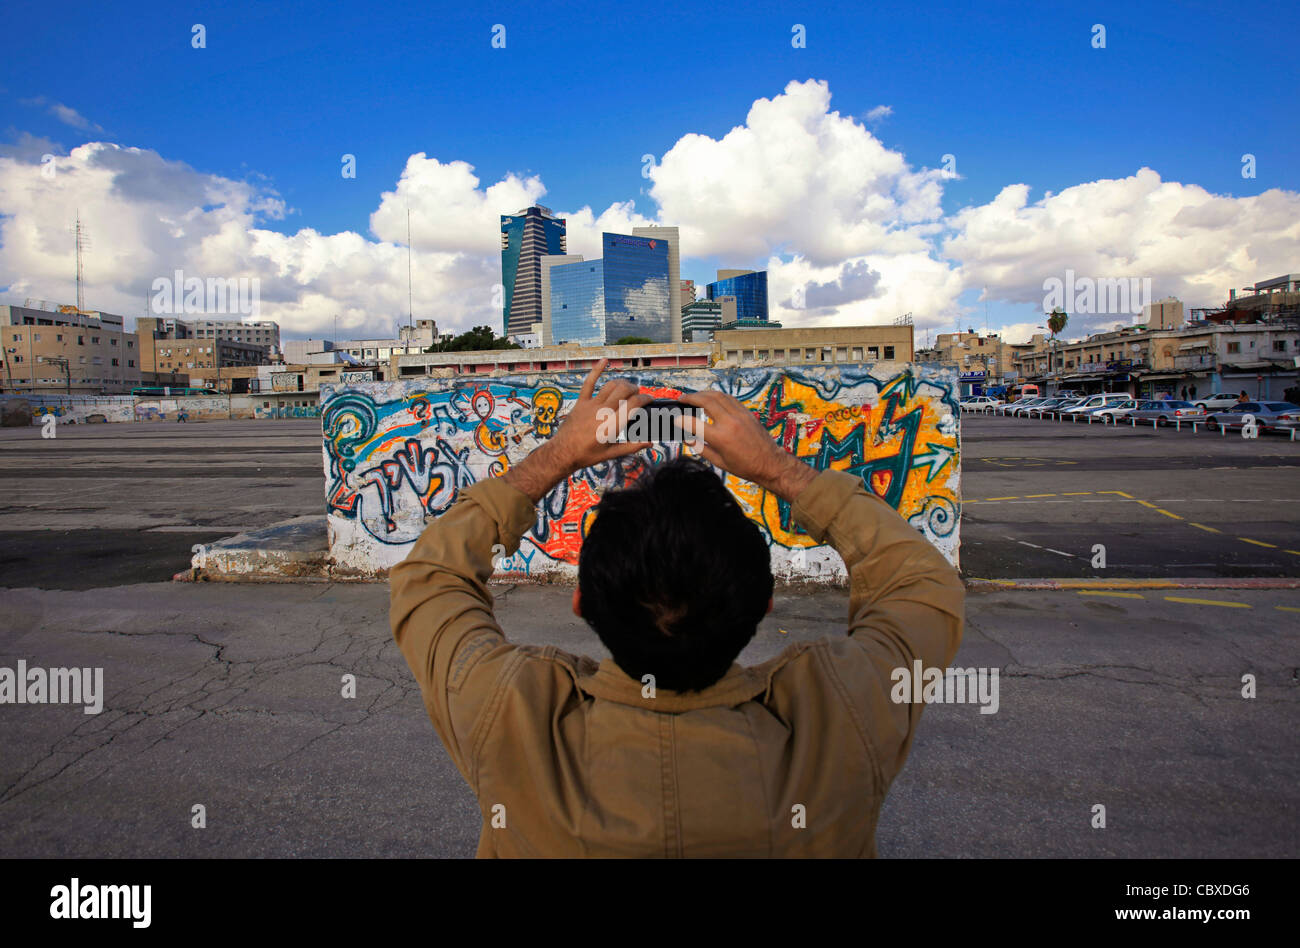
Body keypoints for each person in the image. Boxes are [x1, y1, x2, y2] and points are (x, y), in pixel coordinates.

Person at [390, 360, 965, 857]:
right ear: (765, 602)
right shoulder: (845, 714)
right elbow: (920, 586)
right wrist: (775, 467)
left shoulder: (506, 715)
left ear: (580, 601)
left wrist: (560, 454)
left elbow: (430, 577)